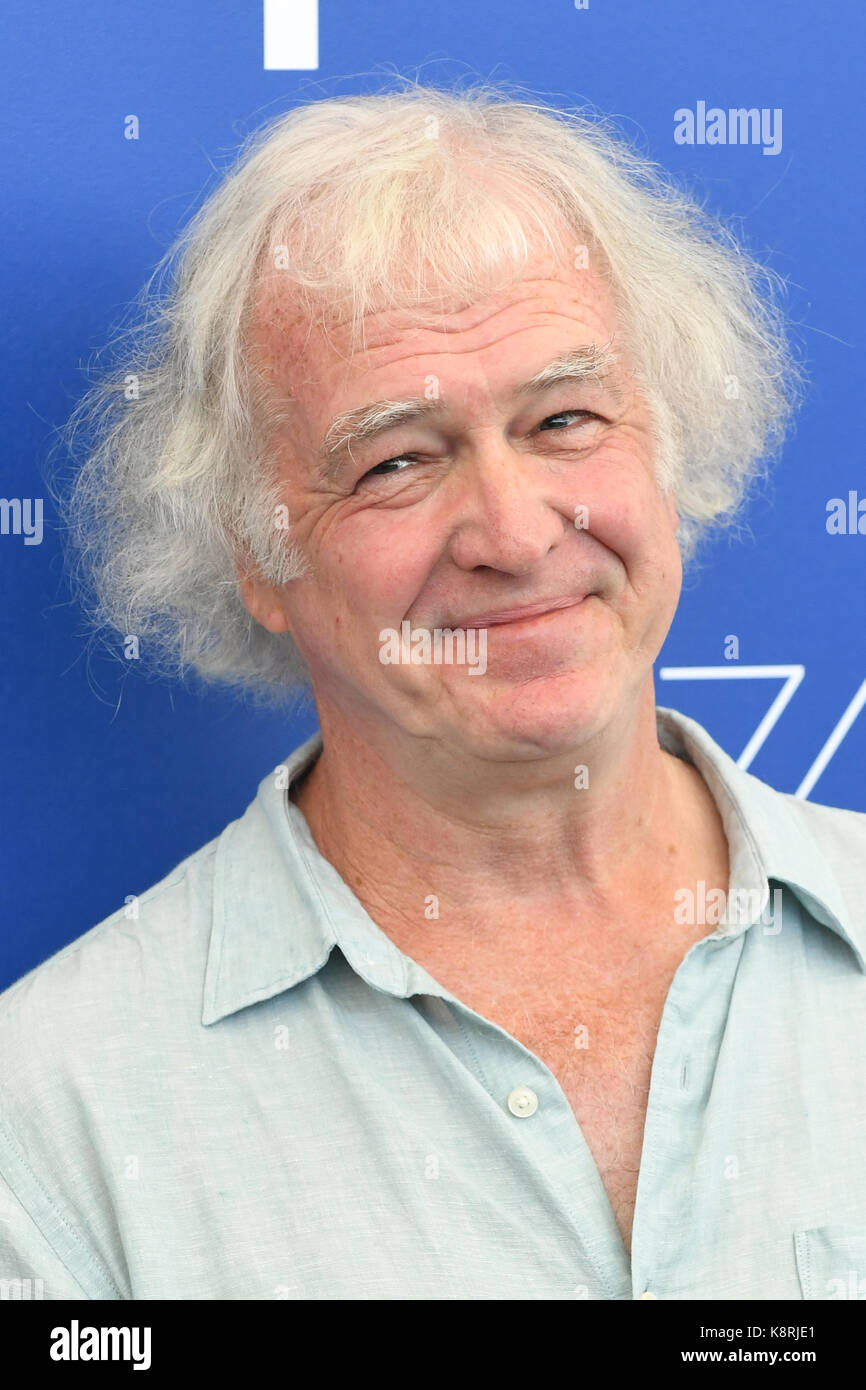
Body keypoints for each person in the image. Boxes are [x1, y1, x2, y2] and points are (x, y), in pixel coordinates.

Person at [2, 80, 864, 1302]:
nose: (512, 536)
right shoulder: (49, 1126)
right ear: (259, 554)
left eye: (564, 418)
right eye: (396, 460)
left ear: (665, 451)